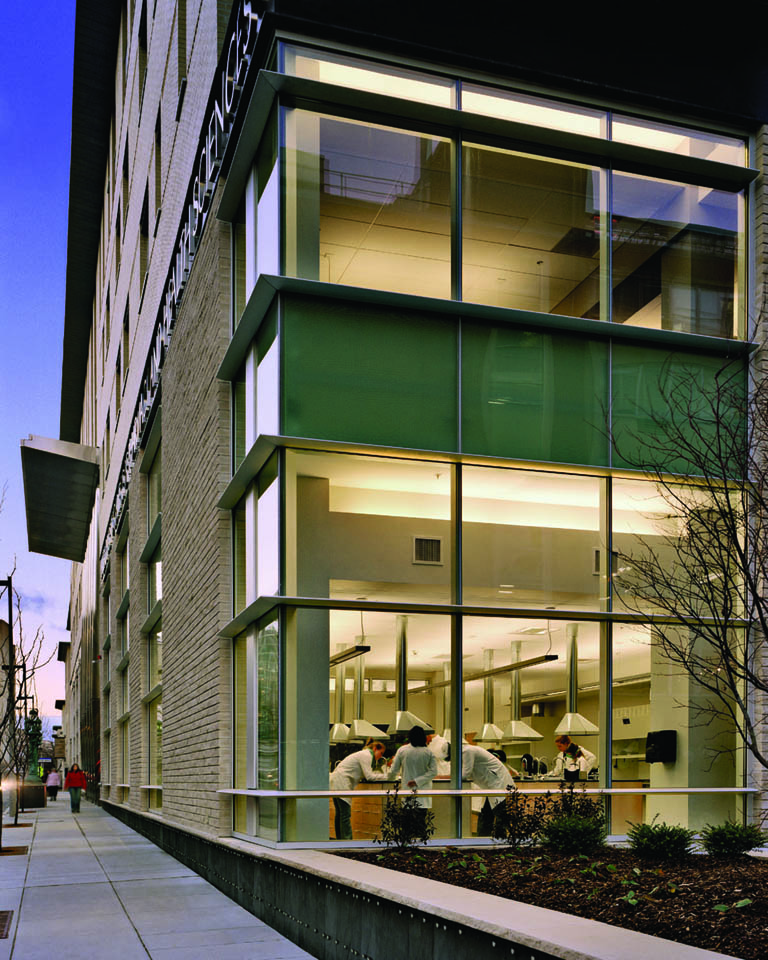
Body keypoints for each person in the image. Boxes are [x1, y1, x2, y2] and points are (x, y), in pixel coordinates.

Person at [329, 740, 388, 839]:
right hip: (341, 782)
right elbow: (369, 776)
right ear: (375, 749)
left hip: (336, 781)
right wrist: (387, 777)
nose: (380, 756)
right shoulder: (367, 755)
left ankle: (340, 840)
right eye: (381, 753)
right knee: (345, 815)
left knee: (340, 814)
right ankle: (347, 841)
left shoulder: (362, 754)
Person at [461, 744, 519, 836]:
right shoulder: (476, 757)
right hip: (490, 787)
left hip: (496, 786)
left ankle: (499, 839)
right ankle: (484, 839)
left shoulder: (471, 753)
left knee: (498, 814)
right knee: (487, 815)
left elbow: (466, 773)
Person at [388, 726, 437, 823]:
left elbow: (393, 770)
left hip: (407, 793)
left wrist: (389, 779)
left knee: (407, 826)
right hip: (423, 794)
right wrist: (417, 781)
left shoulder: (402, 750)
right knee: (420, 825)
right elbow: (433, 772)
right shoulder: (428, 752)